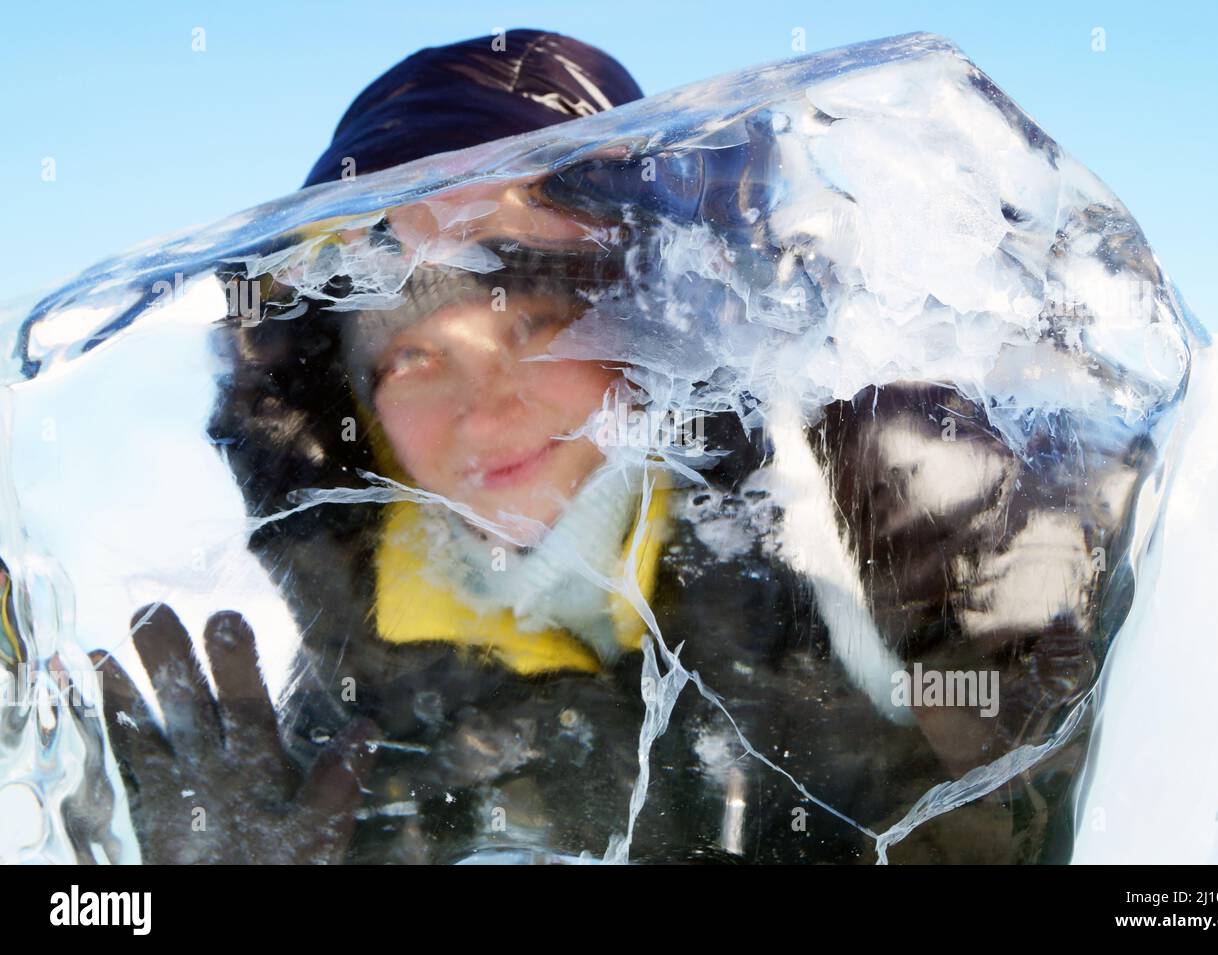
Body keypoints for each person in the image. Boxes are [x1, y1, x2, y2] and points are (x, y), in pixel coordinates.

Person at [97, 28, 1138, 864]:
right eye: (408, 360)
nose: (479, 410)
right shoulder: (369, 671)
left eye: (536, 324)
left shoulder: (867, 509)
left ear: (660, 314)